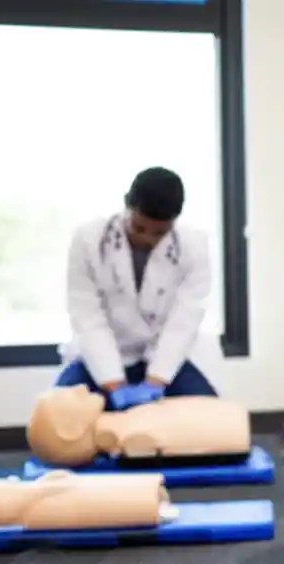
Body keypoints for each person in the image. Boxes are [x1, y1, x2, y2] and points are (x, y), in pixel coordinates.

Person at [57, 167, 218, 411]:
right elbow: (87, 316)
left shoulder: (194, 246)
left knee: (212, 421)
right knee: (58, 420)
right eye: (140, 228)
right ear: (127, 207)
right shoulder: (88, 240)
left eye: (160, 233)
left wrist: (156, 382)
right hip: (101, 356)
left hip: (163, 356)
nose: (148, 239)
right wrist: (114, 384)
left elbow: (184, 320)